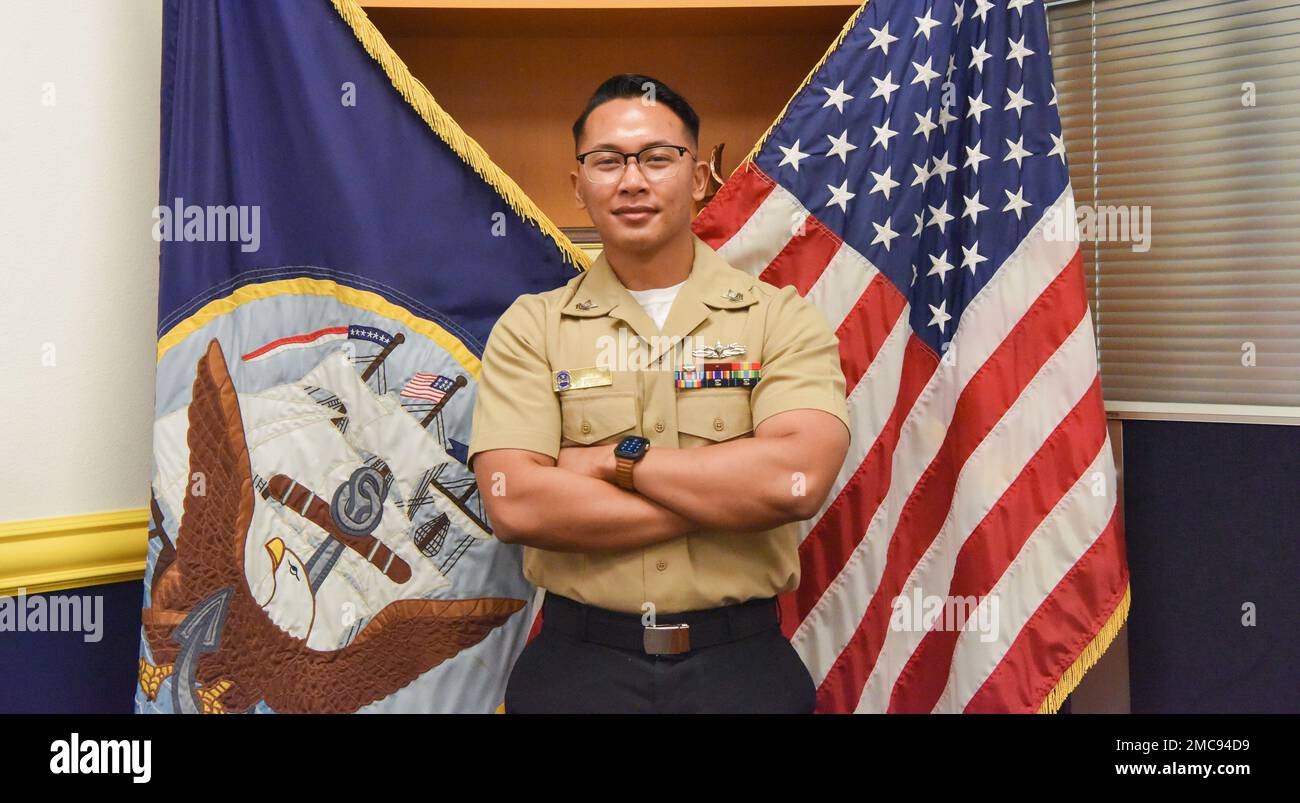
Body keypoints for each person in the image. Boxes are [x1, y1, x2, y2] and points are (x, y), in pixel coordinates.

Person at [468, 73, 851, 713]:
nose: (632, 180)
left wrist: (617, 463)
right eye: (608, 161)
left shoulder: (778, 318)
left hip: (742, 674)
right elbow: (517, 505)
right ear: (579, 186)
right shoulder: (532, 327)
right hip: (577, 673)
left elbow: (797, 478)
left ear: (698, 178)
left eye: (656, 158)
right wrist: (727, 500)